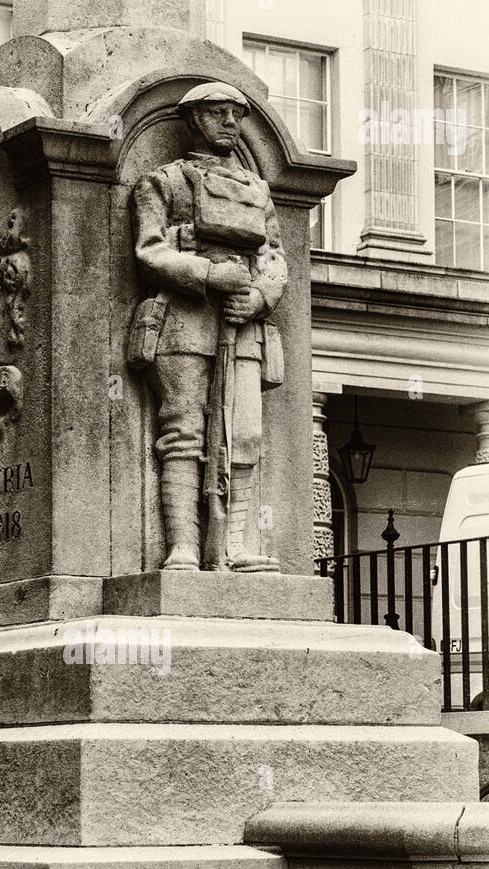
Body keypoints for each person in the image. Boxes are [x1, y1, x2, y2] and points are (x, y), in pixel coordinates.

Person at [130, 82, 287, 571]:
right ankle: (184, 545)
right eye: (218, 113)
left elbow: (275, 258)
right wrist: (207, 275)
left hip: (242, 326)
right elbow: (151, 251)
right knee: (183, 431)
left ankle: (233, 545)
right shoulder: (163, 182)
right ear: (194, 119)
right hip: (183, 322)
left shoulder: (257, 190)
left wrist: (259, 296)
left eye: (236, 115)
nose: (230, 124)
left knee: (243, 436)